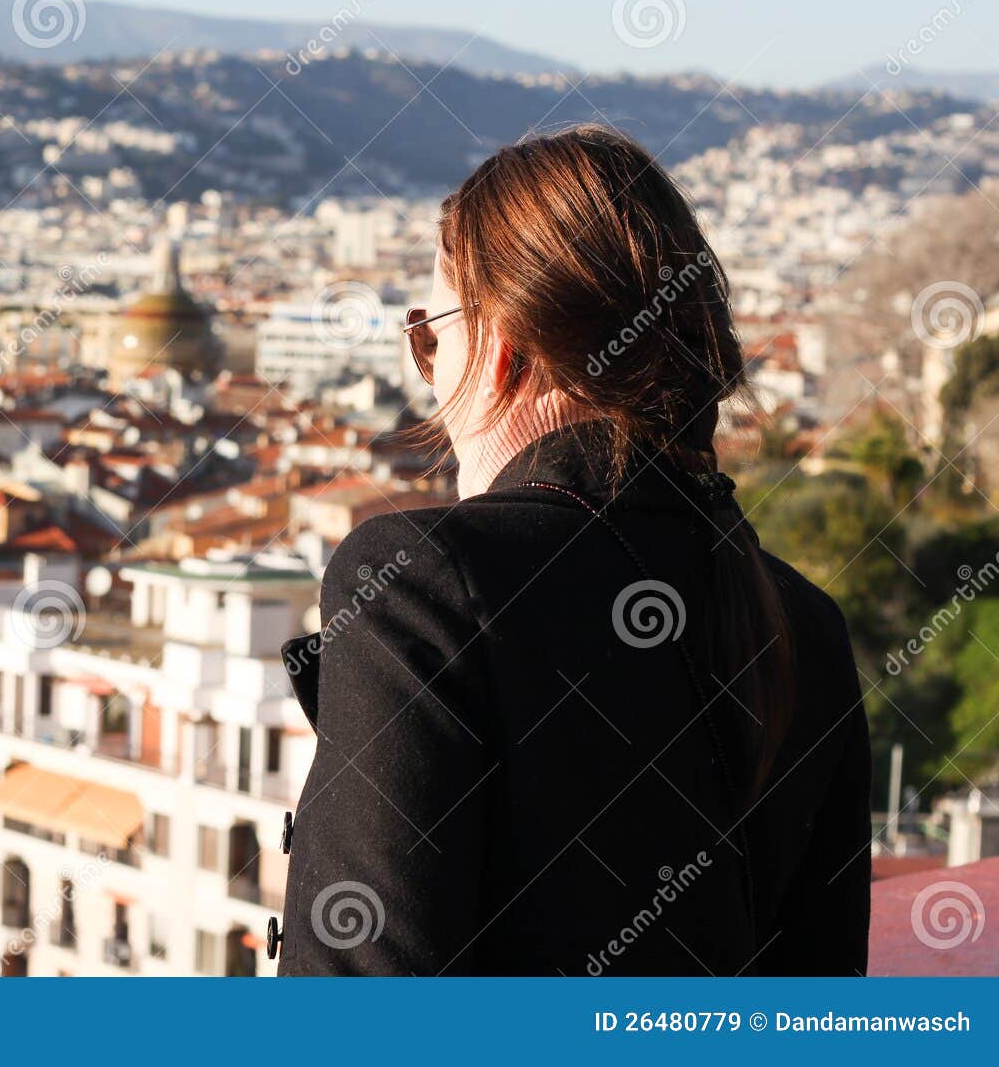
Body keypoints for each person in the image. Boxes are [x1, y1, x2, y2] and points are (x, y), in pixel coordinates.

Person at [275, 125, 870, 976]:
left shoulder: (423, 582)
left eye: (429, 336)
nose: (431, 375)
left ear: (501, 345)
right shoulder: (805, 620)